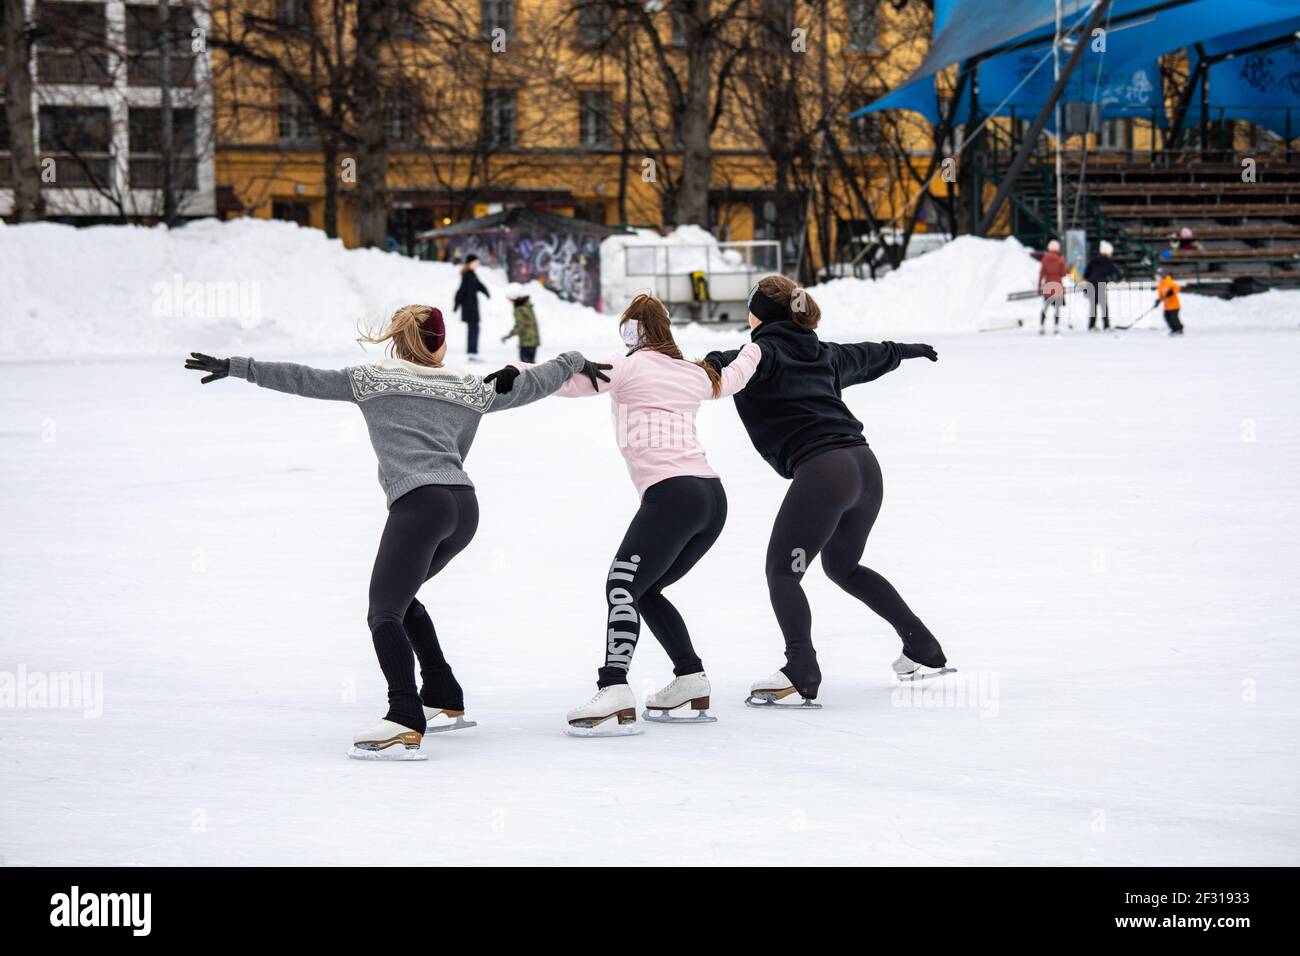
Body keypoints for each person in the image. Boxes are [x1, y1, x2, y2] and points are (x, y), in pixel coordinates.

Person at [184, 306, 608, 760]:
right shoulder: (469, 387)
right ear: (439, 344)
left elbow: (304, 378)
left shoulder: (371, 380)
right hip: (463, 509)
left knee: (383, 611)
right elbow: (532, 384)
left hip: (420, 504)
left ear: (400, 342)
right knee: (403, 600)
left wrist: (239, 367)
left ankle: (404, 717)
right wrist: (573, 360)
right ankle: (443, 694)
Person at [507, 292, 763, 735]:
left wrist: (516, 372)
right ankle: (690, 678)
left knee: (621, 584)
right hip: (710, 498)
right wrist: (758, 342)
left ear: (631, 333)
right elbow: (736, 376)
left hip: (672, 496)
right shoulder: (693, 373)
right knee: (645, 590)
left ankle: (614, 689)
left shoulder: (627, 364)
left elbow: (568, 381)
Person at [704, 275, 951, 707]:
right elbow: (871, 355)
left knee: (783, 572)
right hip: (864, 468)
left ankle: (801, 669)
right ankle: (923, 648)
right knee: (843, 566)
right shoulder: (823, 352)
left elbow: (713, 371)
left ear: (759, 314)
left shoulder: (755, 355)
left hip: (824, 473)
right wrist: (907, 350)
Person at [453, 254, 490, 362]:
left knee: (474, 328)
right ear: (470, 263)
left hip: (472, 306)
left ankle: (472, 352)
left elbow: (479, 285)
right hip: (469, 307)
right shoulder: (467, 276)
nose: (477, 264)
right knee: (473, 328)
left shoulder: (472, 275)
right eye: (475, 263)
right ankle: (472, 353)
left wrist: (486, 291)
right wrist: (456, 304)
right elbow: (461, 291)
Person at [1083, 240, 1123, 331]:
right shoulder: (1107, 262)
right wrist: (1121, 278)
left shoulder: (1093, 260)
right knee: (1103, 305)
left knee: (1093, 306)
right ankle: (1106, 325)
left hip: (1091, 284)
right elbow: (1115, 271)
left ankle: (1091, 325)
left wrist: (1086, 280)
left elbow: (1087, 272)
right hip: (1100, 284)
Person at [502, 284, 541, 363]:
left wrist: (509, 335)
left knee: (525, 365)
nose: (509, 300)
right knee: (531, 365)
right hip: (533, 340)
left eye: (509, 298)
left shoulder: (519, 309)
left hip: (527, 342)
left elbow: (520, 326)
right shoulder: (526, 305)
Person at [1037, 239, 1068, 336]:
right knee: (1057, 308)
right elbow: (1063, 274)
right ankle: (1056, 327)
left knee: (1045, 307)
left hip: (1048, 285)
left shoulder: (1045, 259)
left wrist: (1039, 285)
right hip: (1058, 285)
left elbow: (1041, 273)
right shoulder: (1060, 260)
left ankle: (1042, 326)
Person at [1155, 267, 1185, 336]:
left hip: (1174, 305)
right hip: (1167, 306)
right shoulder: (1161, 285)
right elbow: (1162, 296)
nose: (1157, 278)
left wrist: (1171, 292)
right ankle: (1173, 329)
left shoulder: (1168, 281)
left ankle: (1179, 329)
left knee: (1174, 318)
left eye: (1158, 276)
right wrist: (1158, 301)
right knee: (1167, 317)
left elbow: (1177, 288)